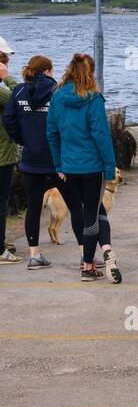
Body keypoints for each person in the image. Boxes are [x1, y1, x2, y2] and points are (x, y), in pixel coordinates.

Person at [46, 54, 119, 281]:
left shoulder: (57, 97)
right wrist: (110, 168)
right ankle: (88, 266)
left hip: (69, 167)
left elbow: (52, 133)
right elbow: (101, 136)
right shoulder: (93, 98)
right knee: (91, 215)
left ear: (70, 69)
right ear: (90, 72)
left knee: (95, 211)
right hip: (92, 166)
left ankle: (106, 249)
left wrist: (59, 163)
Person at [3, 54, 58, 269]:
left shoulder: (18, 91)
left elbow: (9, 120)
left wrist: (22, 139)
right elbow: (63, 122)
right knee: (76, 204)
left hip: (30, 157)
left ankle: (34, 254)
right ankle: (86, 255)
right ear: (46, 71)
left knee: (33, 207)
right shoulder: (56, 91)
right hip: (55, 158)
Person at [0, 36, 21, 262]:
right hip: (1, 155)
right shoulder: (2, 88)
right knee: (1, 201)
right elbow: (18, 99)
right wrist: (8, 79)